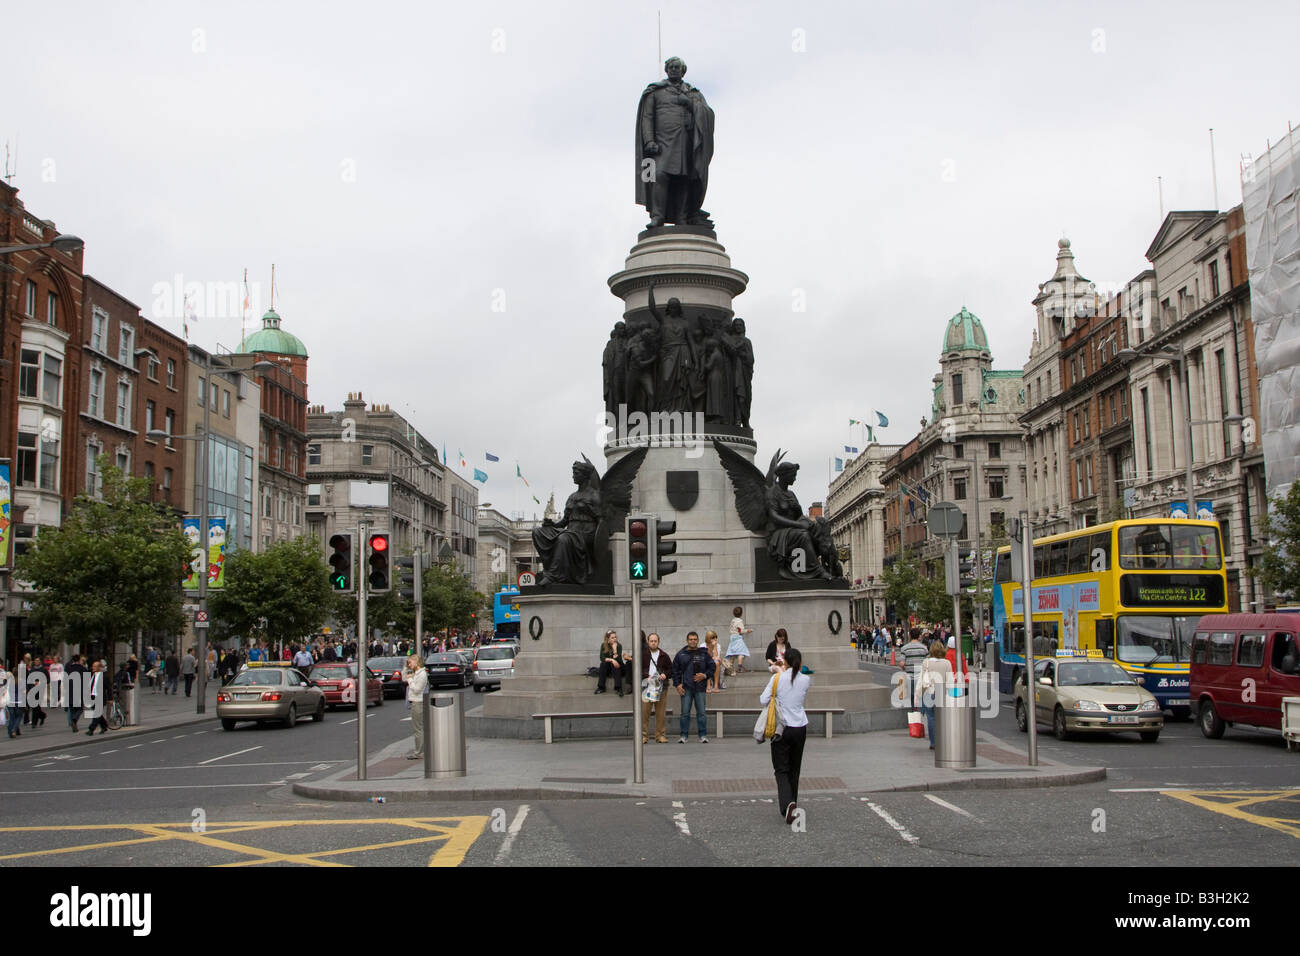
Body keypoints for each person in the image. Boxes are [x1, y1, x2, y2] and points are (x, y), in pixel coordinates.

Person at [760, 647, 810, 825]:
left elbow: (763, 699)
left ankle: (787, 803)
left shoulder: (777, 678)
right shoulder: (805, 679)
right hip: (800, 727)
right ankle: (792, 803)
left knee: (781, 769)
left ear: (785, 661)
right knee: (795, 768)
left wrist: (778, 671)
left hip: (780, 728)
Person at [673, 631, 714, 743]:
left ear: (698, 640)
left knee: (701, 713)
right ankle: (683, 736)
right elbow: (675, 671)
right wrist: (677, 685)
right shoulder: (680, 654)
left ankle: (703, 735)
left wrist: (705, 675)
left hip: (700, 688)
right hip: (686, 688)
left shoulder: (704, 654)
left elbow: (712, 667)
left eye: (695, 639)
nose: (693, 641)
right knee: (685, 713)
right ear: (687, 641)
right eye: (690, 639)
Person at [914, 640, 952, 750]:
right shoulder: (947, 663)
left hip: (928, 692)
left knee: (931, 718)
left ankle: (933, 742)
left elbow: (921, 679)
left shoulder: (926, 662)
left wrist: (917, 694)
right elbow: (950, 681)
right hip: (942, 693)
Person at [641, 632, 674, 744]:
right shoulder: (643, 655)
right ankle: (643, 736)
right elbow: (637, 670)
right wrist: (646, 676)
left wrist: (665, 674)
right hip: (647, 687)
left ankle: (660, 735)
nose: (653, 643)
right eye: (651, 641)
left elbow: (671, 670)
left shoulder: (664, 655)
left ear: (658, 642)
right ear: (648, 642)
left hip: (661, 688)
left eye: (655, 641)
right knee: (644, 713)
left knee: (661, 713)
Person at [405, 655, 428, 759]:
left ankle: (419, 752)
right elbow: (403, 675)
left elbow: (417, 689)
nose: (409, 665)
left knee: (418, 729)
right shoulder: (417, 673)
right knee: (418, 728)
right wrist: (408, 671)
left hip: (418, 702)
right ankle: (420, 751)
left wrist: (410, 680)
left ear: (416, 662)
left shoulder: (422, 674)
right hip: (415, 701)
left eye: (410, 663)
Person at [898, 627, 929, 705]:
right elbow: (927, 663)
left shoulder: (904, 648)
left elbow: (902, 663)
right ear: (919, 636)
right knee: (921, 697)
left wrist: (905, 668)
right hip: (920, 677)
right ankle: (920, 714)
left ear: (910, 636)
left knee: (912, 698)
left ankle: (913, 713)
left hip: (910, 676)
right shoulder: (924, 648)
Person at [595, 631, 631, 696]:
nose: (614, 639)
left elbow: (618, 660)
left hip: (619, 667)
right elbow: (602, 658)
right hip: (609, 668)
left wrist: (615, 650)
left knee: (615, 664)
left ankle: (618, 688)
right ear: (608, 639)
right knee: (603, 664)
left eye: (615, 637)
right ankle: (601, 687)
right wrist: (612, 660)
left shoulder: (619, 646)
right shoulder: (603, 645)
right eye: (612, 637)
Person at [725, 605, 752, 675]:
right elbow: (741, 630)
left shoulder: (732, 621)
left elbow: (731, 629)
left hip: (732, 638)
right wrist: (748, 631)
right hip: (738, 638)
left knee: (732, 653)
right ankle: (739, 667)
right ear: (741, 614)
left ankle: (729, 667)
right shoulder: (740, 621)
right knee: (741, 652)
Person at [86, 661, 110, 736]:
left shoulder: (104, 676)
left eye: (95, 666)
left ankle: (91, 729)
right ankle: (104, 726)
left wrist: (110, 698)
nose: (93, 668)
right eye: (93, 666)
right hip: (92, 696)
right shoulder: (91, 675)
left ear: (99, 668)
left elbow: (109, 688)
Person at [65, 654, 88, 730]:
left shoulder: (68, 668)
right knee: (80, 708)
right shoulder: (83, 669)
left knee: (71, 708)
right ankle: (75, 719)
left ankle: (73, 722)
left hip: (70, 690)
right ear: (79, 660)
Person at [1, 661, 20, 738]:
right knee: (18, 716)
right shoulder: (20, 681)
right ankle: (13, 730)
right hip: (18, 701)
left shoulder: (8, 682)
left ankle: (10, 731)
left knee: (11, 717)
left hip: (9, 701)